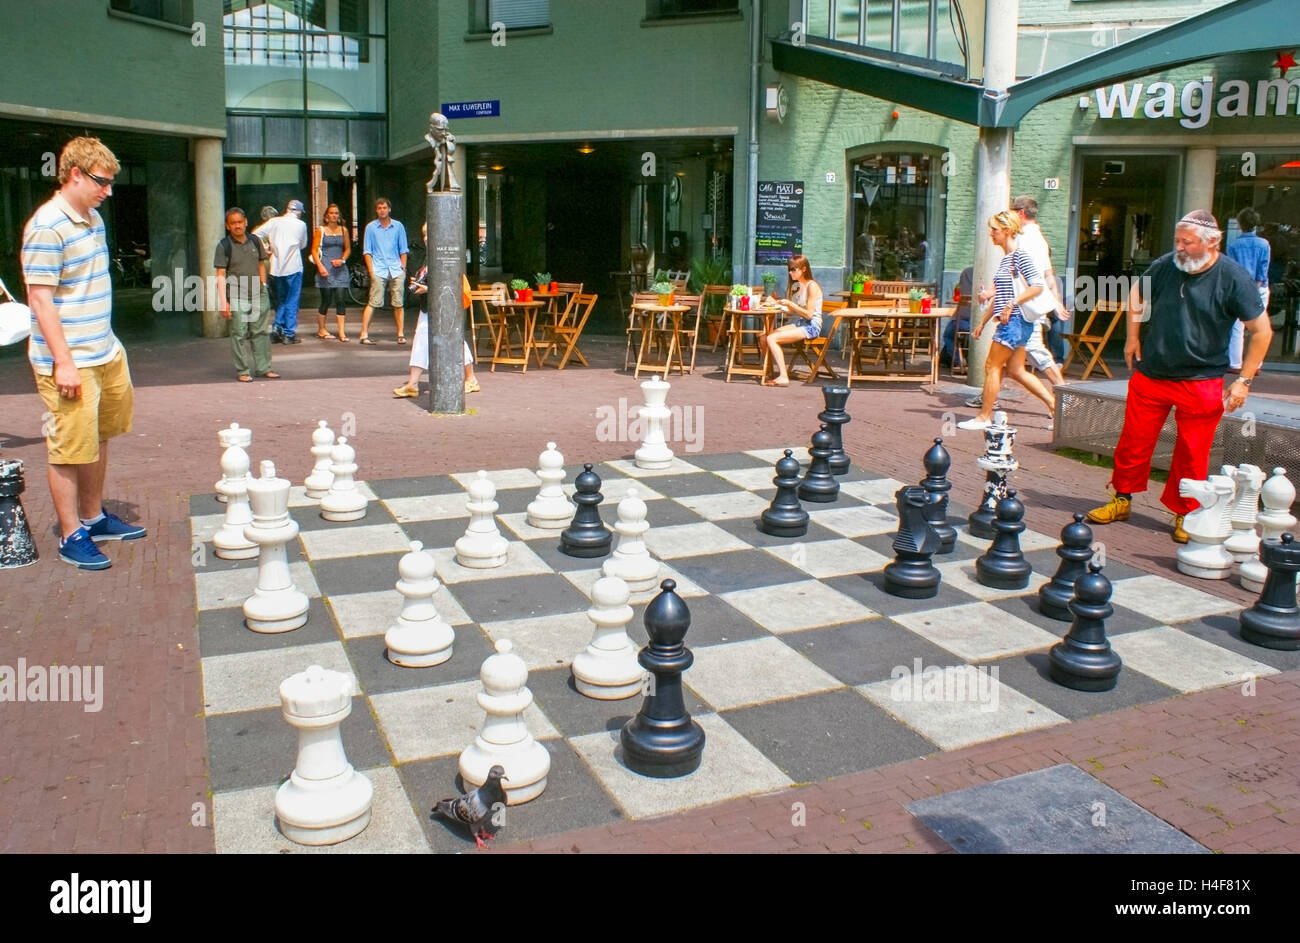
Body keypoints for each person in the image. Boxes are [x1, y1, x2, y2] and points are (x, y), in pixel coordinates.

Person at [1087, 210, 1271, 542]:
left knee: (1192, 451)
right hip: (1153, 373)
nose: (1180, 248)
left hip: (1201, 379)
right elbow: (1137, 295)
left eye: (1187, 242)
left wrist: (1243, 380)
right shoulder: (1164, 266)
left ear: (1212, 242)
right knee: (1133, 441)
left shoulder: (1233, 277)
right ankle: (1122, 499)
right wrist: (1131, 336)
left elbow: (1262, 331)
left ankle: (1185, 512)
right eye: (1177, 241)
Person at [21, 136, 146, 570]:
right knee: (69, 447)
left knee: (99, 437)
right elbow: (40, 300)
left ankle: (93, 517)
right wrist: (64, 362)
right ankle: (71, 534)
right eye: (102, 182)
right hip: (70, 360)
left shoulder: (92, 219)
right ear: (74, 174)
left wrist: (110, 346)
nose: (108, 191)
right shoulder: (46, 227)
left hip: (105, 351)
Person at [957, 211, 1057, 431]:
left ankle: (984, 417)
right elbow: (1000, 297)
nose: (991, 234)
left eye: (994, 229)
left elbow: (1037, 285)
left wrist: (1012, 304)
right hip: (1015, 321)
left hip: (1013, 321)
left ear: (1007, 230)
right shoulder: (1007, 259)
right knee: (1017, 371)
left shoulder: (1019, 256)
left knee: (992, 365)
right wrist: (983, 322)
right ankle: (1055, 407)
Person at [967, 196, 1068, 408]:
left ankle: (1064, 401)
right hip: (1021, 310)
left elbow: (1031, 280)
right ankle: (990, 397)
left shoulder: (1022, 242)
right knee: (1014, 368)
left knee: (1007, 362)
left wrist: (1002, 298)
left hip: (1020, 313)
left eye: (1012, 211)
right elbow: (1048, 274)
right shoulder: (1038, 239)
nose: (992, 234)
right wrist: (1055, 300)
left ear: (1020, 214)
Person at [393, 223, 480, 397]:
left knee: (454, 339)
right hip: (429, 306)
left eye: (429, 235)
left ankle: (470, 378)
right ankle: (413, 383)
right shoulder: (429, 256)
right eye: (424, 234)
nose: (426, 238)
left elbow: (449, 282)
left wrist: (427, 289)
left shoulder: (445, 254)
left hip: (443, 305)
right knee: (422, 339)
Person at [214, 206, 278, 382]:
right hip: (236, 296)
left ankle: (264, 368)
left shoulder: (255, 241)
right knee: (239, 333)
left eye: (240, 222)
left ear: (246, 222)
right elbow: (220, 275)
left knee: (261, 332)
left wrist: (263, 285)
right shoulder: (224, 246)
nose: (237, 226)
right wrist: (223, 302)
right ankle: (243, 371)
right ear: (228, 226)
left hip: (258, 293)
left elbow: (261, 263)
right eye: (233, 223)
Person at [760, 254, 822, 387]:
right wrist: (777, 304)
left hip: (811, 326)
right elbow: (792, 312)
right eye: (789, 269)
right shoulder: (797, 287)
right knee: (764, 337)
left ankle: (783, 377)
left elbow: (809, 314)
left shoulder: (812, 286)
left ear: (804, 269)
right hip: (801, 323)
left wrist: (790, 303)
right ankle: (768, 371)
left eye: (794, 269)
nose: (790, 272)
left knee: (772, 338)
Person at [254, 199, 308, 344]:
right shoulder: (301, 225)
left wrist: (267, 247)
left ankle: (277, 328)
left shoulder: (275, 222)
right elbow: (303, 244)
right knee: (292, 300)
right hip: (294, 267)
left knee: (282, 300)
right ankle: (289, 333)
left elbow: (256, 234)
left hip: (276, 268)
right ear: (299, 212)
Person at [358, 197, 408, 345]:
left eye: (384, 208)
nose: (382, 210)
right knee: (373, 301)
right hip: (378, 268)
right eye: (379, 208)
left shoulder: (398, 226)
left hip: (395, 268)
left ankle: (400, 333)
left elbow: (403, 249)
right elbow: (367, 251)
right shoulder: (371, 228)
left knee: (398, 302)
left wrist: (403, 268)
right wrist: (371, 271)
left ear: (389, 209)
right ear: (376, 210)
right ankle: (364, 333)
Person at [1225, 206, 1270, 370]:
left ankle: (1235, 363)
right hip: (1260, 287)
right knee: (1259, 326)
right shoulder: (1264, 244)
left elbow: (1231, 269)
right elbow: (1263, 269)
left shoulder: (1233, 245)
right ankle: (1255, 364)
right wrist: (1258, 284)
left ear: (1240, 224)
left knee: (1237, 327)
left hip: (1240, 288)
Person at [310, 202, 351, 341]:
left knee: (340, 299)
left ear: (339, 216)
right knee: (326, 300)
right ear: (327, 216)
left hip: (340, 269)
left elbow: (348, 248)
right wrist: (320, 266)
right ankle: (321, 329)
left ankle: (341, 332)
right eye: (331, 213)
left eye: (336, 213)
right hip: (325, 269)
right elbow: (314, 250)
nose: (334, 215)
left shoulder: (343, 230)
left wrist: (342, 260)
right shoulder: (321, 230)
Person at [941, 266, 973, 366]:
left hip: (966, 323)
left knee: (948, 335)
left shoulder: (967, 272)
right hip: (987, 324)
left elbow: (962, 312)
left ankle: (957, 361)